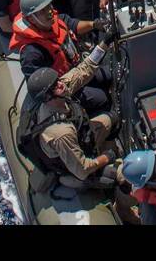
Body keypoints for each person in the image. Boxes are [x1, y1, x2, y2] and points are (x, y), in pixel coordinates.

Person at [17, 52, 116, 192]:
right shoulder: (61, 132)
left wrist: (103, 45)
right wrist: (107, 157)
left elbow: (82, 71)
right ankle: (78, 180)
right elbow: (82, 169)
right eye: (54, 86)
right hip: (72, 165)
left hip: (78, 135)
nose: (60, 84)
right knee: (110, 178)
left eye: (57, 80)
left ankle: (101, 149)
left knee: (111, 119)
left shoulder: (58, 91)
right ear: (47, 97)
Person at [9, 0, 100, 95]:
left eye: (48, 6)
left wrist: (94, 24)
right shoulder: (32, 53)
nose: (49, 12)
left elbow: (74, 25)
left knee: (108, 74)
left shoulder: (57, 21)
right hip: (66, 88)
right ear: (32, 19)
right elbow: (39, 88)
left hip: (81, 69)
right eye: (42, 11)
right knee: (101, 98)